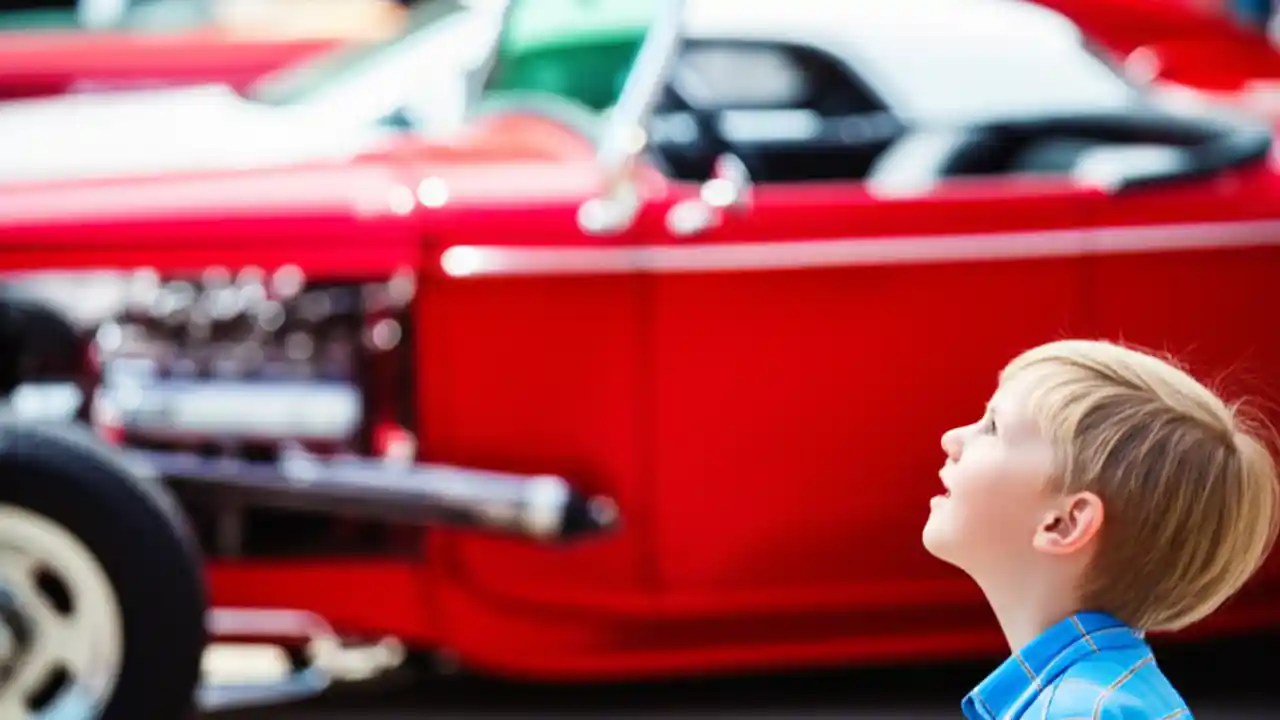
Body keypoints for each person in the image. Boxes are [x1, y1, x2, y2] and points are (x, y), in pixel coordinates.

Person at [923, 339, 1280, 719]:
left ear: (1064, 523)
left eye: (994, 427)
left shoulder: (1078, 712)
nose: (953, 438)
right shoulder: (1109, 695)